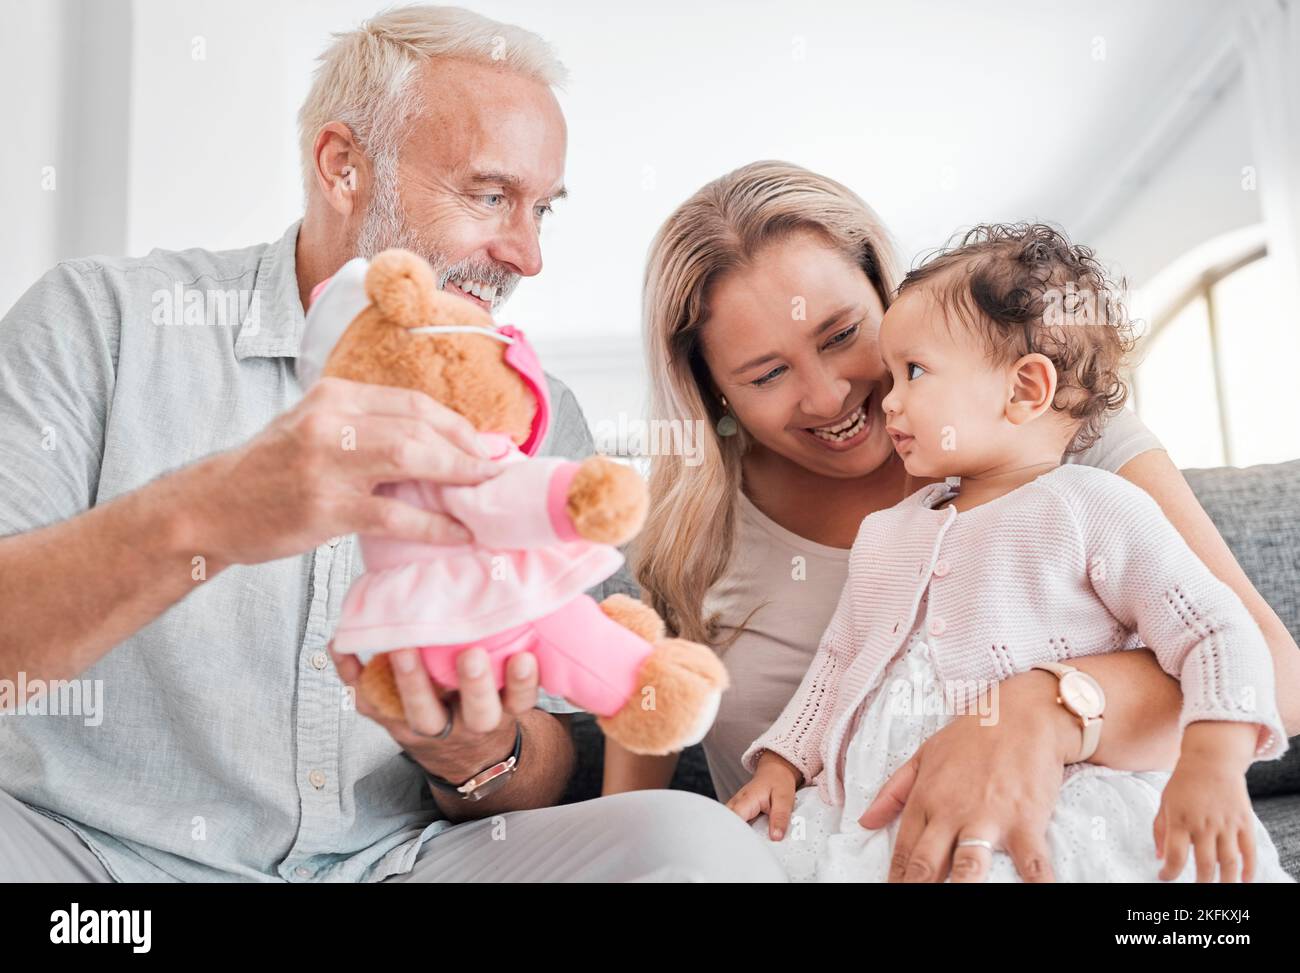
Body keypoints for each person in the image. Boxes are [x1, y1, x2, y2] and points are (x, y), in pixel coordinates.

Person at [0, 5, 782, 883]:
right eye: (490, 196)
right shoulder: (101, 323)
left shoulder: (536, 410)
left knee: (692, 847)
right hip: (89, 863)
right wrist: (209, 513)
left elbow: (568, 747)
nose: (527, 255)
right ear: (343, 167)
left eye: (540, 210)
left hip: (393, 866)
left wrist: (479, 754)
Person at [614, 161, 1300, 883]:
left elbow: (1265, 665)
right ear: (711, 392)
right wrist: (784, 760)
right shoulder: (697, 539)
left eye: (843, 333)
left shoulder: (1069, 437)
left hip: (1056, 816)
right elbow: (634, 815)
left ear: (889, 294)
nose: (830, 395)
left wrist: (1048, 707)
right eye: (766, 375)